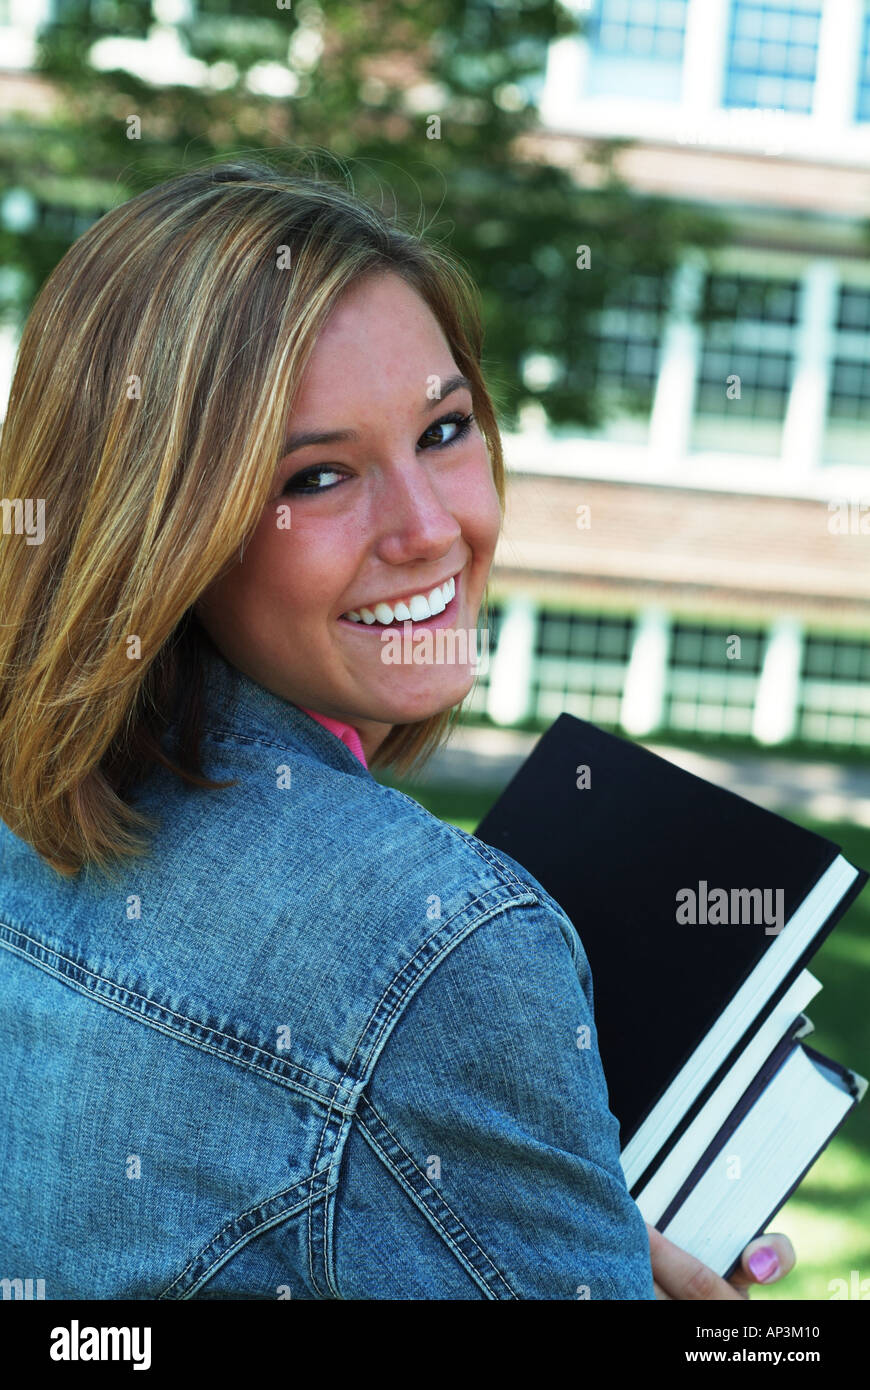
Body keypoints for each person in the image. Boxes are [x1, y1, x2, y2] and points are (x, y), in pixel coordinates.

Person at [0, 159, 794, 1300]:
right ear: (160, 526)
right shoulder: (440, 944)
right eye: (319, 476)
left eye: (444, 429)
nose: (430, 530)